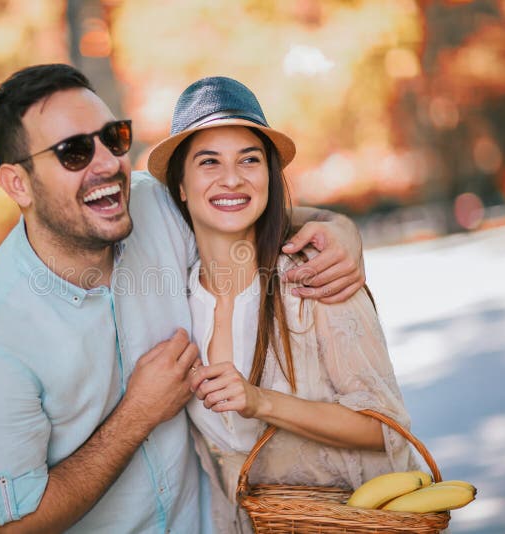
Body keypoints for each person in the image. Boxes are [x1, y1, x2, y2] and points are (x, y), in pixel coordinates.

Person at [0, 64, 365, 533]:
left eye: (112, 138)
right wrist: (137, 415)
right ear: (18, 183)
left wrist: (339, 228)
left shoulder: (154, 206)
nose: (107, 163)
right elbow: (17, 524)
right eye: (74, 152)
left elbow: (243, 209)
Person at [147, 76, 418, 533]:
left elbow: (386, 429)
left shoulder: (315, 276)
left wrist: (260, 402)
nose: (231, 178)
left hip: (355, 524)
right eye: (208, 162)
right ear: (181, 186)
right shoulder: (171, 298)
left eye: (249, 160)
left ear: (269, 177)